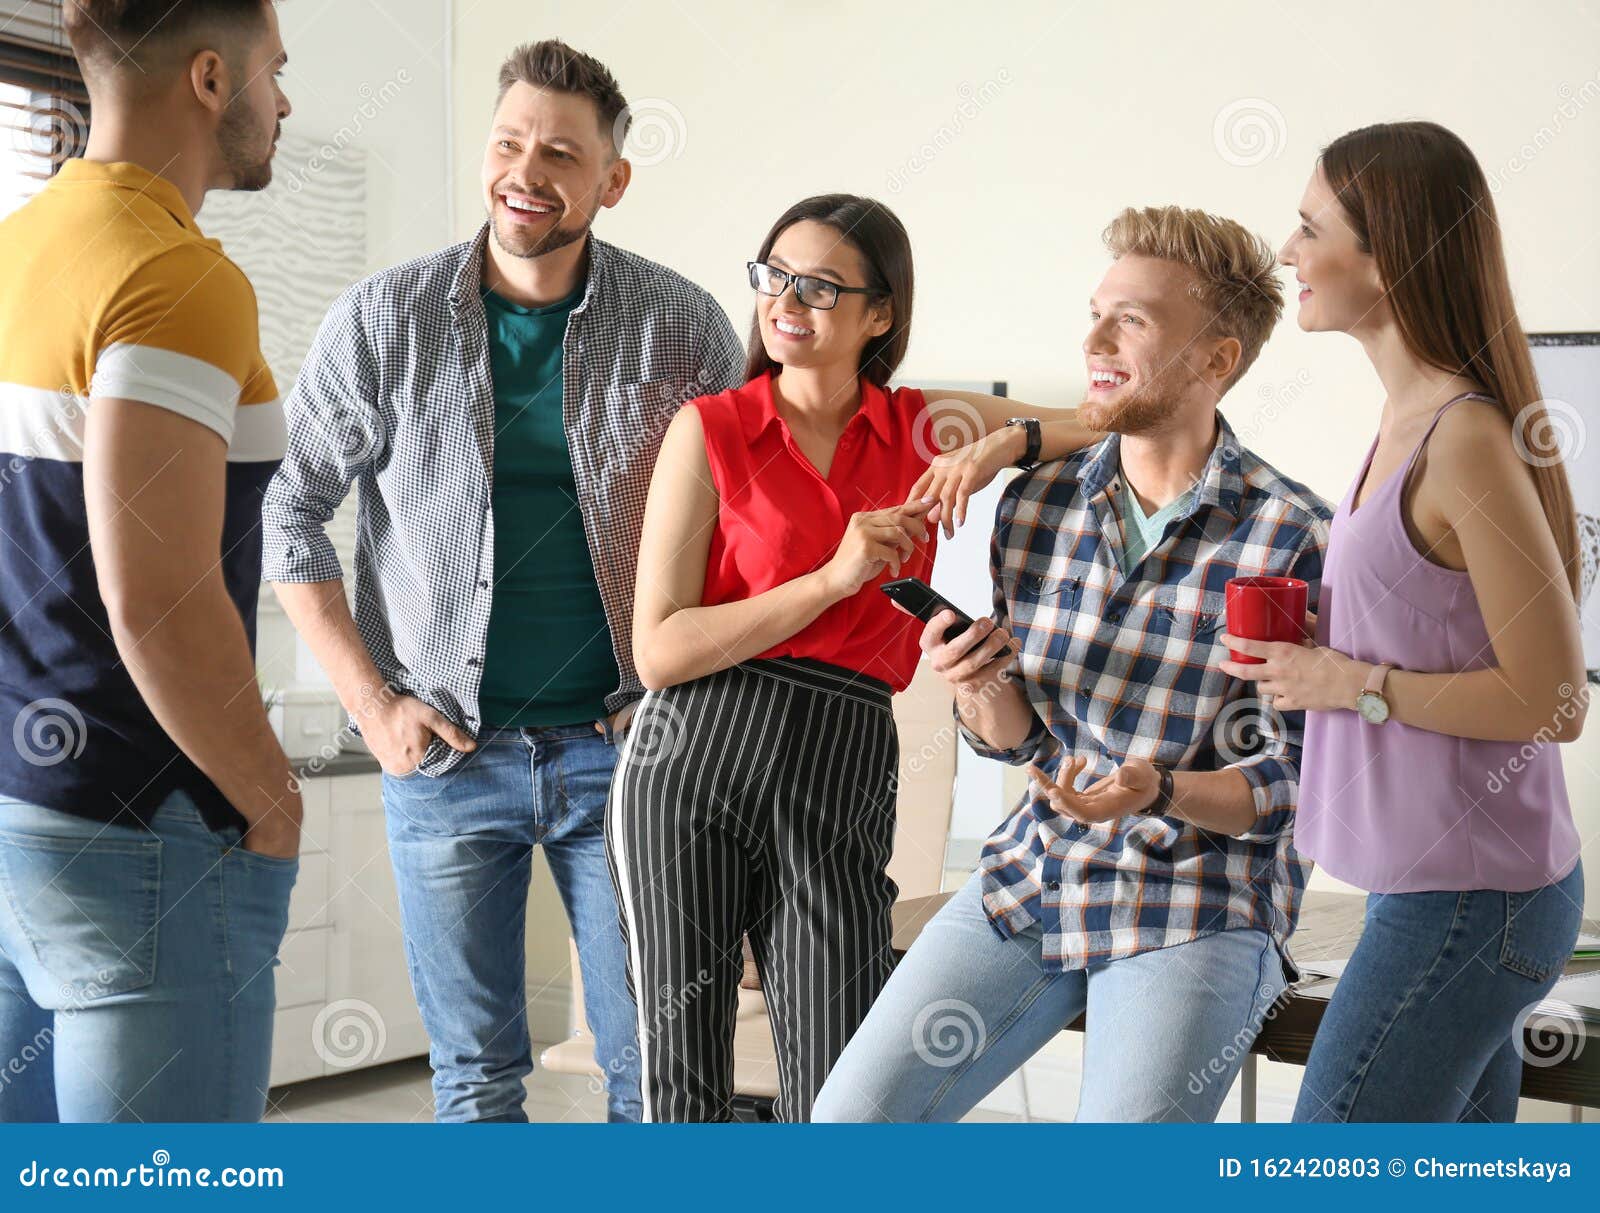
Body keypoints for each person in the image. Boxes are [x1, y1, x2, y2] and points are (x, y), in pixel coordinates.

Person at [261, 40, 743, 1123]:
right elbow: (288, 509)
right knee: (474, 1078)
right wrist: (371, 705)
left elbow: (746, 532)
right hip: (444, 762)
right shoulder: (386, 319)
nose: (526, 170)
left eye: (561, 153)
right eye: (509, 142)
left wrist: (692, 712)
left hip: (630, 752)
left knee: (658, 1078)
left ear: (610, 181)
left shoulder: (682, 325)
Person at [813, 205, 1331, 1124]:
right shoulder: (1038, 507)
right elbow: (1026, 746)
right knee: (849, 1125)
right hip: (1038, 870)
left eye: (1130, 318)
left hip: (1199, 898)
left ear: (1218, 358)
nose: (1094, 338)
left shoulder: (1293, 534)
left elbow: (1296, 787)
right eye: (1095, 311)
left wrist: (1158, 789)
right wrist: (981, 688)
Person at [608, 193, 1096, 1122]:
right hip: (690, 756)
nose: (788, 301)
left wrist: (998, 444)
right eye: (775, 276)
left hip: (844, 755)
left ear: (880, 315)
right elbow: (661, 648)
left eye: (821, 287)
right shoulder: (709, 430)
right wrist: (832, 579)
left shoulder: (921, 426)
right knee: (683, 1083)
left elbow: (1110, 423)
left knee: (843, 1090)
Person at [1239, 121, 1586, 1123]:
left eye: (1309, 230)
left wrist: (1348, 682)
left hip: (1471, 904)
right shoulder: (1401, 423)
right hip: (1431, 891)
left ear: (1388, 255)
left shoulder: (1463, 434)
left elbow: (1554, 701)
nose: (1286, 253)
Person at [0, 0, 299, 1122]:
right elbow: (160, 594)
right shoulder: (177, 277)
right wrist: (270, 797)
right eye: (276, 68)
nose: (284, 99)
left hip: (20, 809)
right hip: (143, 823)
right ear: (211, 79)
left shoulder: (20, 246)